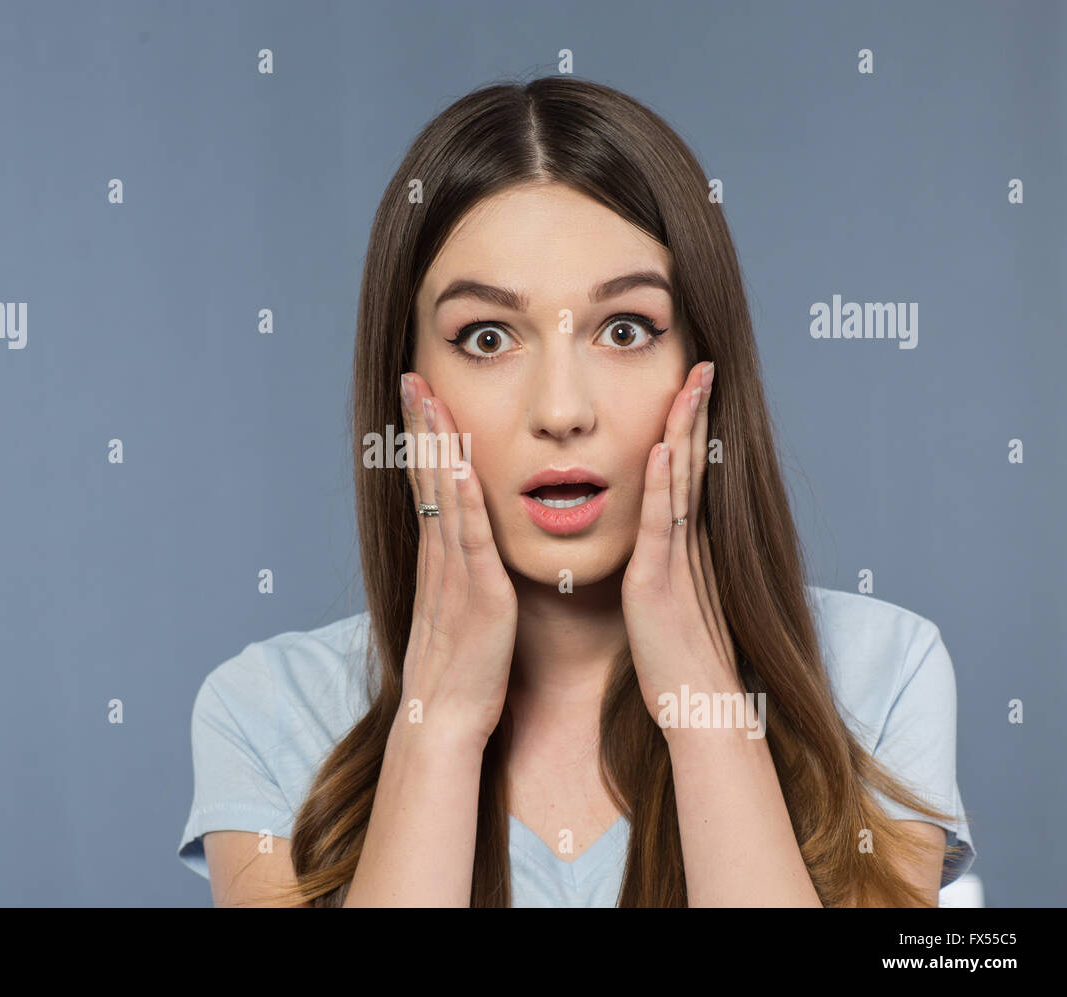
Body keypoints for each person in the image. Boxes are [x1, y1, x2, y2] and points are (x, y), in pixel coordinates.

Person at [178, 76, 975, 907]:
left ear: (705, 366)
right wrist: (439, 726)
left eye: (625, 330)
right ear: (407, 387)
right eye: (487, 337)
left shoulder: (880, 674)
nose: (561, 411)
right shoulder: (267, 713)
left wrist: (705, 714)